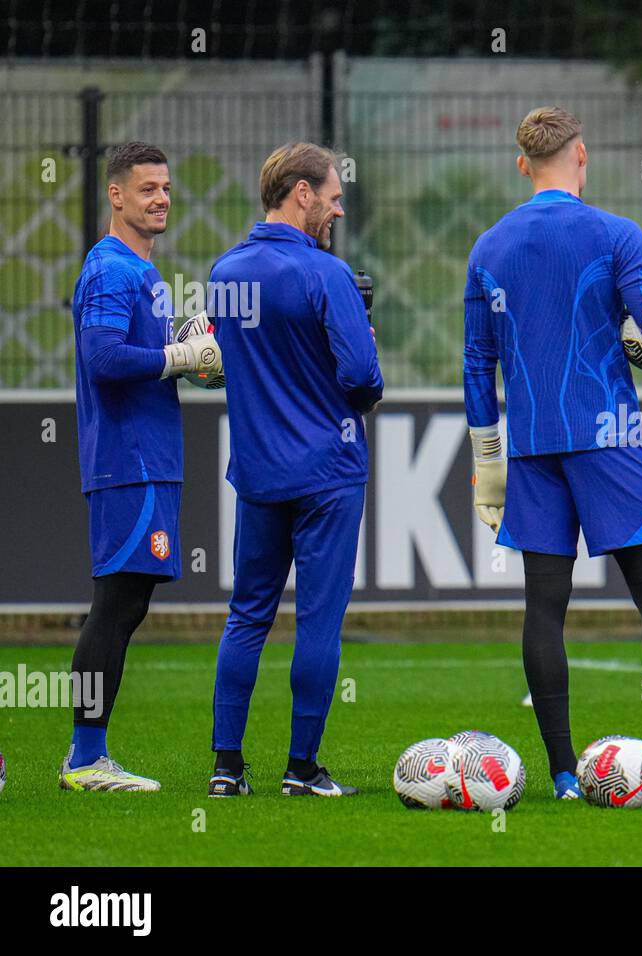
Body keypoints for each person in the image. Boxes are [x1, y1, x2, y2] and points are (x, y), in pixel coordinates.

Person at [463, 107, 642, 799]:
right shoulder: (615, 233)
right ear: (581, 154)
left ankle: (559, 772)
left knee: (544, 608)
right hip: (607, 438)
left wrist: (488, 461)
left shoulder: (488, 247)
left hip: (531, 449)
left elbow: (474, 365)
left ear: (524, 165)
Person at [207, 142, 383, 797]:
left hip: (257, 473)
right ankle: (301, 768)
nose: (338, 208)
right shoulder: (327, 274)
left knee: (246, 615)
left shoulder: (225, 273)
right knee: (317, 621)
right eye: (333, 196)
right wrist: (362, 328)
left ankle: (227, 769)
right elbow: (363, 379)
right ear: (301, 192)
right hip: (327, 471)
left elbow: (224, 364)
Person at [63, 142, 220, 792]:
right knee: (116, 603)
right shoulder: (110, 270)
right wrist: (179, 359)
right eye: (147, 187)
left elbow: (144, 356)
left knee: (126, 604)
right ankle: (84, 758)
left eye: (165, 187)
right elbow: (103, 357)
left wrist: (195, 356)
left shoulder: (142, 273)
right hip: (128, 462)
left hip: (148, 460)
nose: (160, 198)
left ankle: (89, 754)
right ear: (116, 195)